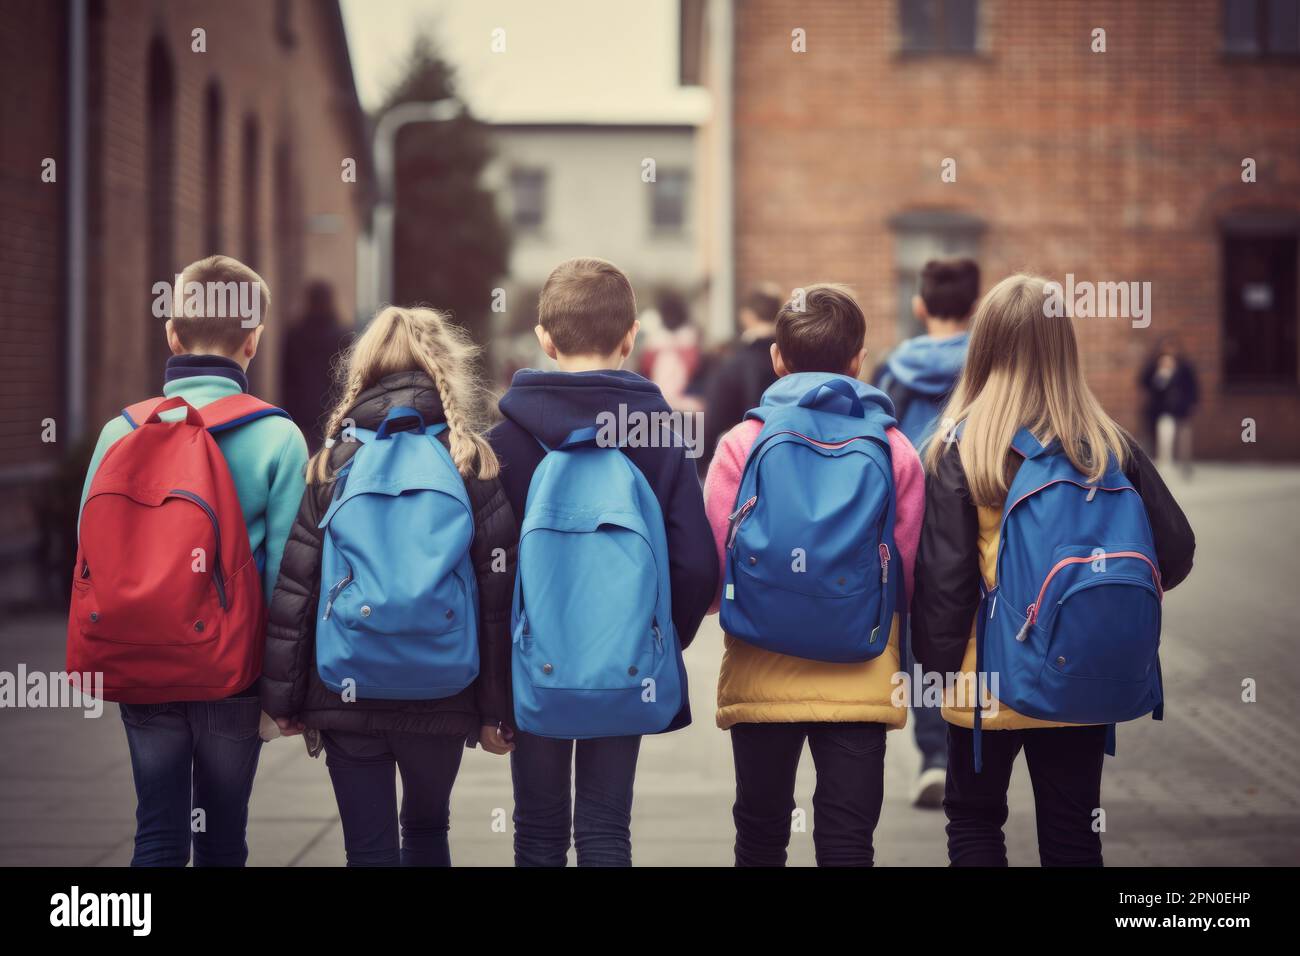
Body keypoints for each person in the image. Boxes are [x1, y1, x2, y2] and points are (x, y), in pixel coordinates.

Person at [912, 273, 1196, 866]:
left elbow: (945, 582)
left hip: (984, 679)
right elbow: (1177, 548)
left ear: (983, 347)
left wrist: (933, 674)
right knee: (1072, 833)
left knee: (974, 822)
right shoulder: (1108, 444)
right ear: (1064, 347)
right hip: (1078, 675)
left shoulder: (959, 447)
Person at [260, 306, 517, 866]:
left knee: (367, 850)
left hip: (345, 685)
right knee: (427, 832)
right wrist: (498, 709)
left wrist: (284, 700)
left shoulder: (330, 463)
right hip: (443, 687)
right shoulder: (471, 461)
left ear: (366, 368)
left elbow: (297, 589)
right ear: (445, 367)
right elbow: (497, 597)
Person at [77, 255, 308, 866]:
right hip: (232, 673)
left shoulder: (117, 433)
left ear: (172, 334)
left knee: (156, 831)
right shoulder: (279, 436)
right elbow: (287, 574)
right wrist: (287, 690)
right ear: (253, 341)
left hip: (140, 660)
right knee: (223, 836)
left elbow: (88, 550)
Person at [488, 257, 717, 866]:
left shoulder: (503, 441)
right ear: (630, 336)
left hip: (533, 668)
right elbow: (696, 561)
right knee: (606, 827)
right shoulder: (659, 432)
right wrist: (659, 634)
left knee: (537, 831)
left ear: (544, 339)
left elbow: (488, 573)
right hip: (626, 663)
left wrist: (491, 684)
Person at [703, 283, 924, 867]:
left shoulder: (741, 445)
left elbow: (715, 565)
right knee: (849, 841)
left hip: (760, 668)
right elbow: (905, 575)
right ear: (859, 360)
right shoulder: (897, 449)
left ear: (777, 359)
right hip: (860, 672)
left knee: (759, 834)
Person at [872, 257, 980, 807]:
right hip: (974, 514)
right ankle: (971, 743)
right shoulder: (990, 367)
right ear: (976, 307)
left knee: (917, 636)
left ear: (919, 306)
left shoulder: (893, 367)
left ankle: (933, 753)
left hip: (910, 520)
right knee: (975, 629)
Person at [701, 283, 784, 467]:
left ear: (747, 316)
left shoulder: (732, 361)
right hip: (786, 457)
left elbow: (715, 419)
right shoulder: (793, 357)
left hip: (742, 461)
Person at [280, 280, 351, 454]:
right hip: (333, 407)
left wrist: (288, 413)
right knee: (332, 457)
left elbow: (287, 378)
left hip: (303, 410)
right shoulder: (342, 334)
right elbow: (346, 379)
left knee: (309, 455)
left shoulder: (295, 334)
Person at [1138, 336, 1199, 479]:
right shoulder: (1155, 367)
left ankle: (1184, 467)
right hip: (1161, 411)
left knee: (1183, 440)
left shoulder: (1184, 367)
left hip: (1181, 411)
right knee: (1163, 438)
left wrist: (1189, 404)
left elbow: (1192, 388)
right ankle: (1163, 465)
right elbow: (1147, 384)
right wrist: (1161, 374)